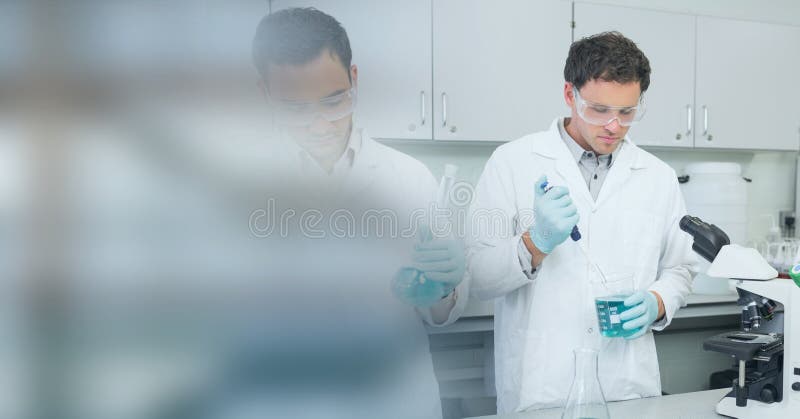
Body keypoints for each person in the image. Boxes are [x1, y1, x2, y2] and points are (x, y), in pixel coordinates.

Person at [169, 7, 469, 419]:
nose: (319, 124)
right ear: (265, 93)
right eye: (295, 107)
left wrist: (443, 289)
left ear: (354, 80)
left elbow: (441, 315)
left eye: (333, 101)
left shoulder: (410, 178)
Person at [466, 31, 697, 413]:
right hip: (542, 389)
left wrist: (657, 302)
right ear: (569, 94)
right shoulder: (512, 162)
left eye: (627, 112)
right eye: (599, 109)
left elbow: (681, 268)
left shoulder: (658, 176)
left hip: (626, 386)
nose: (614, 125)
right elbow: (476, 276)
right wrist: (535, 243)